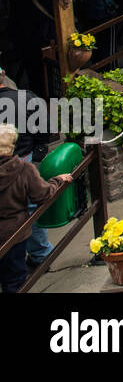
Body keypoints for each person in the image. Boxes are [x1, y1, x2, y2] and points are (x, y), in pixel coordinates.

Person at [1, 123, 72, 292]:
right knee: (15, 280)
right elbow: (43, 194)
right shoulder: (22, 168)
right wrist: (58, 180)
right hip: (13, 234)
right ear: (12, 146)